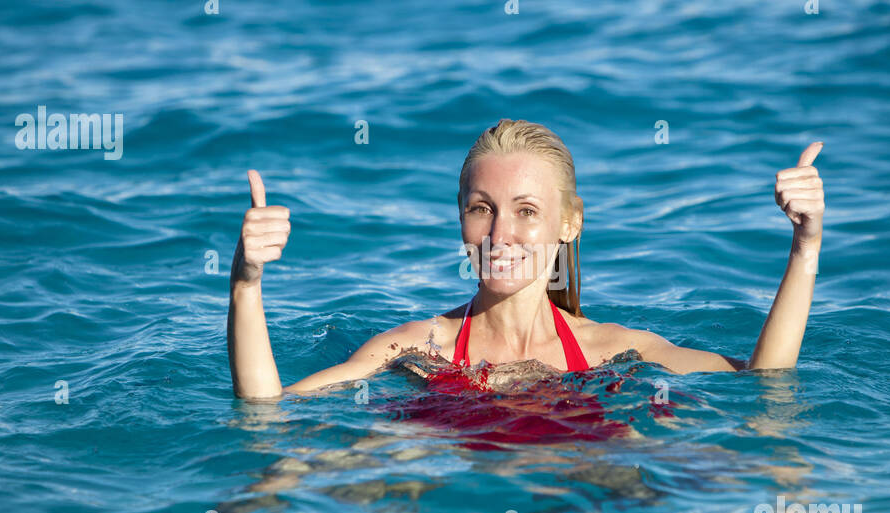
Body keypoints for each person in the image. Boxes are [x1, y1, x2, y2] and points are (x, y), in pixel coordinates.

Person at [228, 119, 824, 400]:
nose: (501, 233)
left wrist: (805, 248)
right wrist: (247, 284)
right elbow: (268, 411)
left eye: (527, 211)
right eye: (482, 208)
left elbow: (764, 385)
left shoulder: (612, 349)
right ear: (460, 217)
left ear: (570, 223)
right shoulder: (413, 348)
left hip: (584, 486)